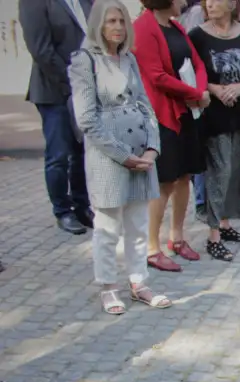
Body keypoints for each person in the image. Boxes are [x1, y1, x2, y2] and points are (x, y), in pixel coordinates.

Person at [70, 0, 171, 314]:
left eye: (121, 21)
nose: (117, 27)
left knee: (139, 224)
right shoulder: (84, 60)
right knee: (108, 227)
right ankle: (108, 286)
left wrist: (153, 148)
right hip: (109, 158)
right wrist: (124, 156)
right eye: (110, 21)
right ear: (98, 25)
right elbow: (87, 119)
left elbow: (145, 105)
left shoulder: (129, 59)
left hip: (142, 156)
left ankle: (139, 282)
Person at [133, 0, 210, 273]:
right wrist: (195, 94)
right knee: (164, 181)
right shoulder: (143, 28)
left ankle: (177, 237)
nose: (184, 2)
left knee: (185, 176)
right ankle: (151, 248)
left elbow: (198, 64)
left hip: (187, 111)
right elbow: (156, 77)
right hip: (163, 114)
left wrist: (199, 92)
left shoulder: (176, 26)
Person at [188, 0, 240, 261]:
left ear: (232, 4)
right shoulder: (197, 36)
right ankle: (213, 237)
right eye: (207, 0)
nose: (210, 4)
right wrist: (215, 89)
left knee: (235, 174)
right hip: (214, 117)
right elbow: (191, 75)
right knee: (218, 174)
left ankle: (225, 225)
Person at [19, 0, 94, 235]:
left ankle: (83, 206)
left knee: (83, 151)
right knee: (59, 155)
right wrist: (71, 79)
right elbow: (41, 49)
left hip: (86, 88)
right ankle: (63, 210)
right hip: (55, 90)